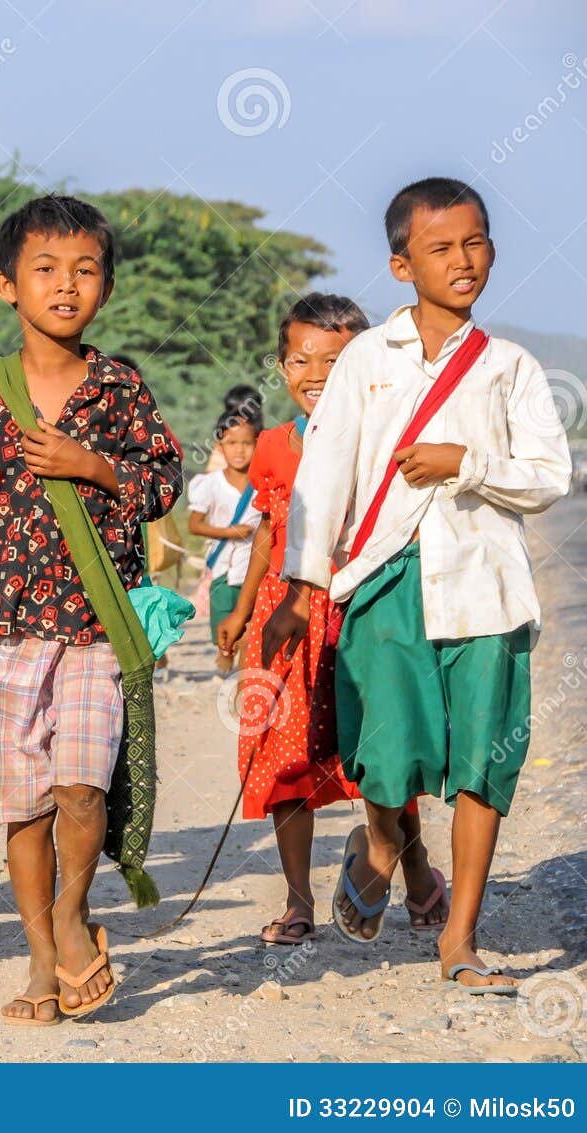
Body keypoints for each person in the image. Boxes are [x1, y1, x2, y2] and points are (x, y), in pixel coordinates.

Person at [264, 179, 570, 990]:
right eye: (440, 248)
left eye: (475, 243)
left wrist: (466, 463)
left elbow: (549, 474)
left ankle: (459, 937)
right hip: (385, 579)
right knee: (387, 752)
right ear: (402, 265)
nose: (463, 260)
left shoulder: (510, 366)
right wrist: (301, 587)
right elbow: (324, 475)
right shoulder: (367, 358)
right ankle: (382, 840)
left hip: (486, 588)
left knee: (482, 760)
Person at [0, 195, 183, 1024]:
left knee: (81, 788)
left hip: (96, 623)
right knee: (21, 805)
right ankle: (40, 955)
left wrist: (93, 466)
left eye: (84, 269)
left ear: (106, 286)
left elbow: (162, 481)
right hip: (2, 627)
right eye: (45, 269)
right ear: (8, 285)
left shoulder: (120, 388)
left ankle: (71, 916)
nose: (66, 285)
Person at [218, 295, 446, 946]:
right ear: (281, 367)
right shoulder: (271, 446)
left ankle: (414, 870)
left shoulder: (388, 443)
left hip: (365, 607)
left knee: (384, 753)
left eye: (335, 360)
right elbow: (270, 530)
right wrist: (242, 610)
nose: (316, 374)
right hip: (288, 614)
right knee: (284, 757)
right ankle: (298, 902)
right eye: (301, 360)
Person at [188, 402, 262, 675]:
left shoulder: (263, 482)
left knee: (251, 627)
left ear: (257, 444)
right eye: (232, 443)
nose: (239, 450)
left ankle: (243, 671)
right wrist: (230, 533)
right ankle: (226, 656)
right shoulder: (210, 484)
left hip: (254, 568)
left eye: (246, 443)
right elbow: (195, 525)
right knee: (223, 628)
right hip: (222, 570)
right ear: (220, 446)